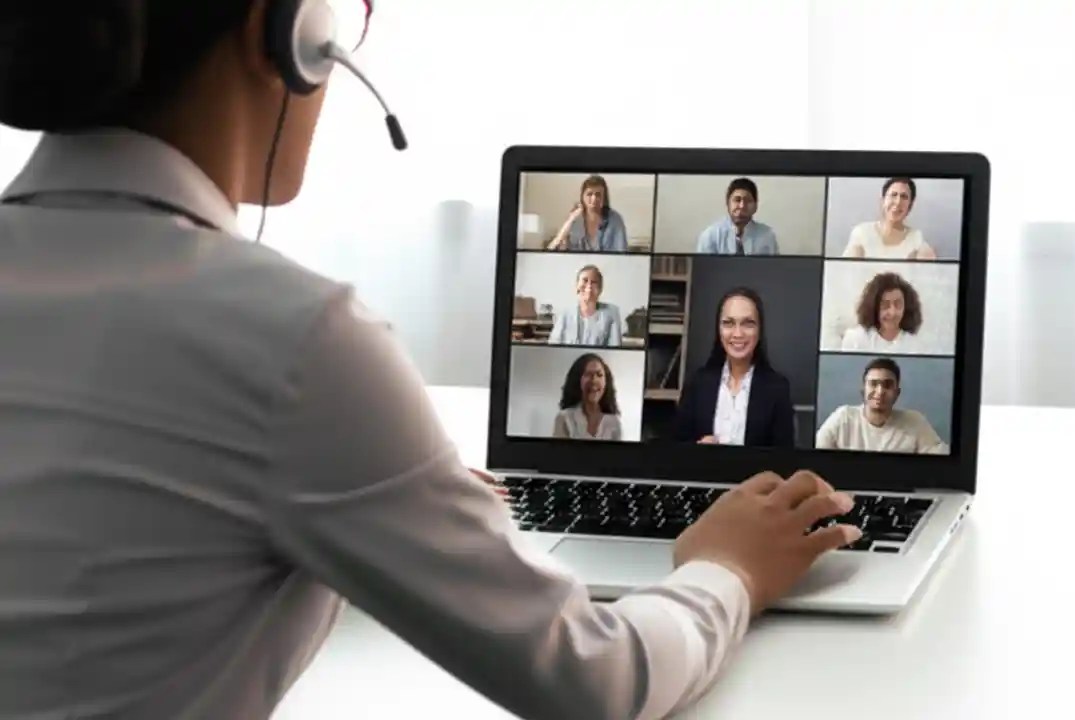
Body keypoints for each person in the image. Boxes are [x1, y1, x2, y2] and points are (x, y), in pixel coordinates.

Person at [0, 2, 861, 719]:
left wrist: (392, 507)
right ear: (290, 34)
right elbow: (597, 680)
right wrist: (731, 566)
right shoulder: (298, 339)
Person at [674, 288, 795, 447]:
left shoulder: (778, 388)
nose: (738, 333)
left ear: (759, 331)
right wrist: (698, 449)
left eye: (748, 324)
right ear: (719, 330)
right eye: (728, 323)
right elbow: (676, 447)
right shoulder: (697, 383)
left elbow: (785, 458)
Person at [816, 358, 948, 453]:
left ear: (897, 393)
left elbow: (940, 459)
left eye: (888, 385)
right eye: (873, 384)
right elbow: (817, 457)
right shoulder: (843, 417)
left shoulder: (915, 421)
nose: (880, 392)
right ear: (863, 390)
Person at [841, 177, 938, 260]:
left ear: (910, 206)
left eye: (904, 197)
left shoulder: (916, 238)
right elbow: (846, 272)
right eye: (893, 195)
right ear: (883, 201)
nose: (898, 202)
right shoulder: (862, 232)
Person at [840, 271, 925, 353]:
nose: (892, 312)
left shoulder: (916, 346)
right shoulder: (855, 339)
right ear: (874, 307)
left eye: (898, 304)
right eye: (885, 305)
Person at [694, 177, 779, 255]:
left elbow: (774, 269)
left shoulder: (767, 235)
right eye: (737, 200)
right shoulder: (710, 236)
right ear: (728, 203)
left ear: (756, 206)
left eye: (748, 201)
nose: (742, 206)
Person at [546, 174, 629, 252]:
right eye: (589, 194)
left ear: (604, 198)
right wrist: (570, 220)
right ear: (582, 197)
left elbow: (622, 252)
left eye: (598, 195)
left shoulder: (615, 220)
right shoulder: (574, 220)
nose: (594, 199)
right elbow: (552, 249)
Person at [552, 353, 624, 441]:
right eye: (588, 374)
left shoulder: (614, 423)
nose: (594, 380)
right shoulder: (564, 419)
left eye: (599, 375)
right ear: (577, 380)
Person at [548, 264, 625, 347]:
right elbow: (553, 346)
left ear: (600, 288)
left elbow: (615, 348)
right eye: (585, 280)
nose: (589, 286)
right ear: (577, 285)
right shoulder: (565, 314)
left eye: (594, 282)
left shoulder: (612, 313)